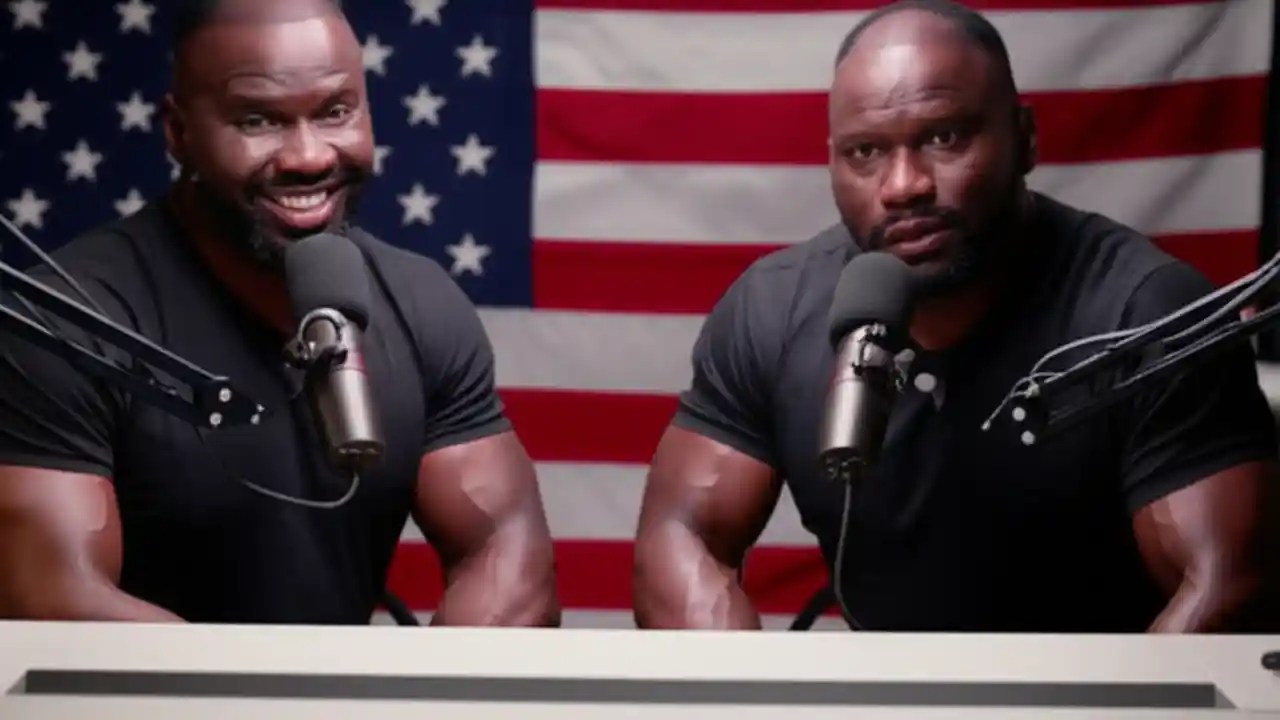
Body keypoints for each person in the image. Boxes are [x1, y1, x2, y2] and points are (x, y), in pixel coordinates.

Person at [632, 0, 1279, 633]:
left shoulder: (1143, 311)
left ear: (1024, 139)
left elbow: (1229, 586)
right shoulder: (772, 311)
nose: (903, 184)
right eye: (865, 152)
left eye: (943, 138)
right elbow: (682, 532)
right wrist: (753, 704)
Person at [0, 0, 560, 626]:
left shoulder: (421, 303)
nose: (308, 156)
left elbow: (503, 548)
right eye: (259, 120)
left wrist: (416, 702)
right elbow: (49, 598)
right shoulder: (69, 322)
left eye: (336, 112)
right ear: (178, 132)